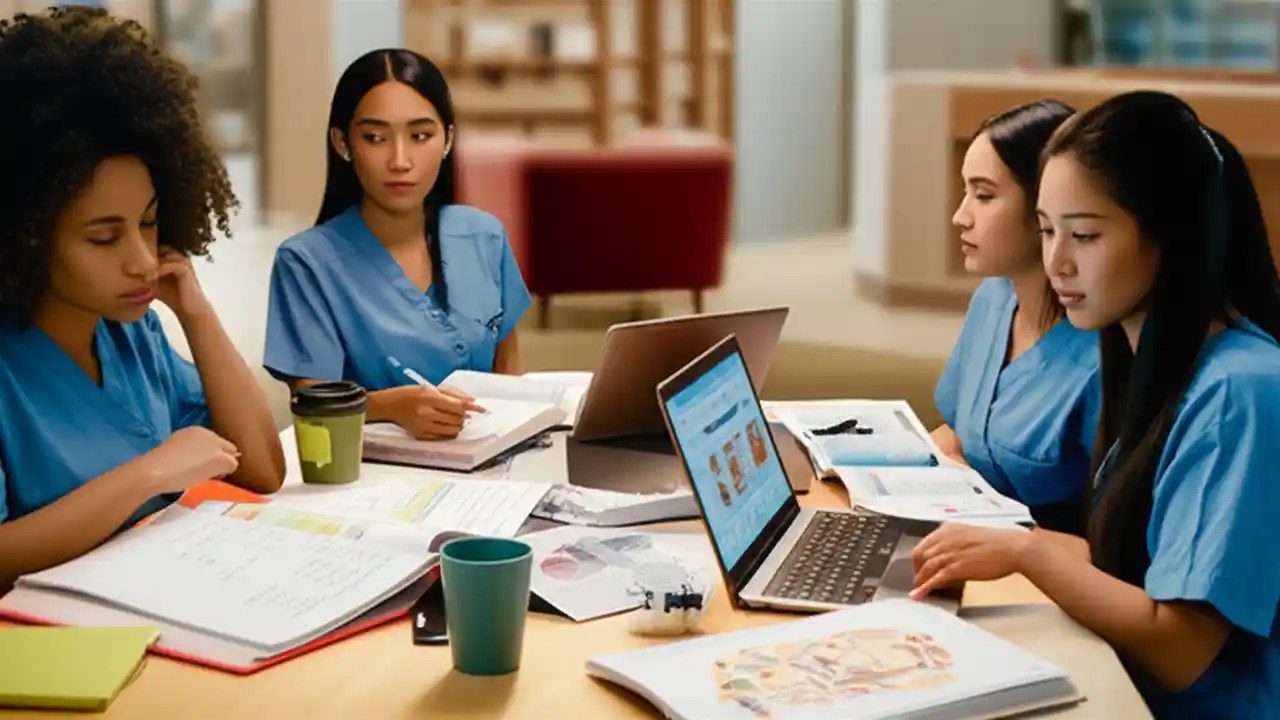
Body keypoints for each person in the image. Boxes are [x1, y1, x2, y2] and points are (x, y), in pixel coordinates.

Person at [911, 91, 1280, 718]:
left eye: (1083, 234)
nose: (1056, 262)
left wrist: (1026, 552)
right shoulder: (1138, 356)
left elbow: (1182, 651)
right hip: (1111, 668)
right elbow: (1129, 563)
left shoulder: (1239, 388)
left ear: (1167, 236)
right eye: (1047, 230)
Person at [0, 8, 285, 584]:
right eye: (104, 237)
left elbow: (260, 467)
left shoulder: (134, 336)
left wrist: (197, 316)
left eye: (149, 223)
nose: (142, 259)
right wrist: (148, 474)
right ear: (24, 235)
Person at [264, 49, 532, 441]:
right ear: (343, 143)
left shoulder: (484, 236)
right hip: (372, 476)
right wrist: (392, 408)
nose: (400, 160)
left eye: (421, 136)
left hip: (488, 463)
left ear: (448, 139)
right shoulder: (307, 262)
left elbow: (510, 371)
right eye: (375, 138)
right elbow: (312, 400)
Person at [931, 99, 1100, 534]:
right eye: (965, 192)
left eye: (984, 196)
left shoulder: (1103, 346)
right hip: (969, 535)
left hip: (1052, 571)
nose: (960, 217)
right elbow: (959, 431)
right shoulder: (993, 299)